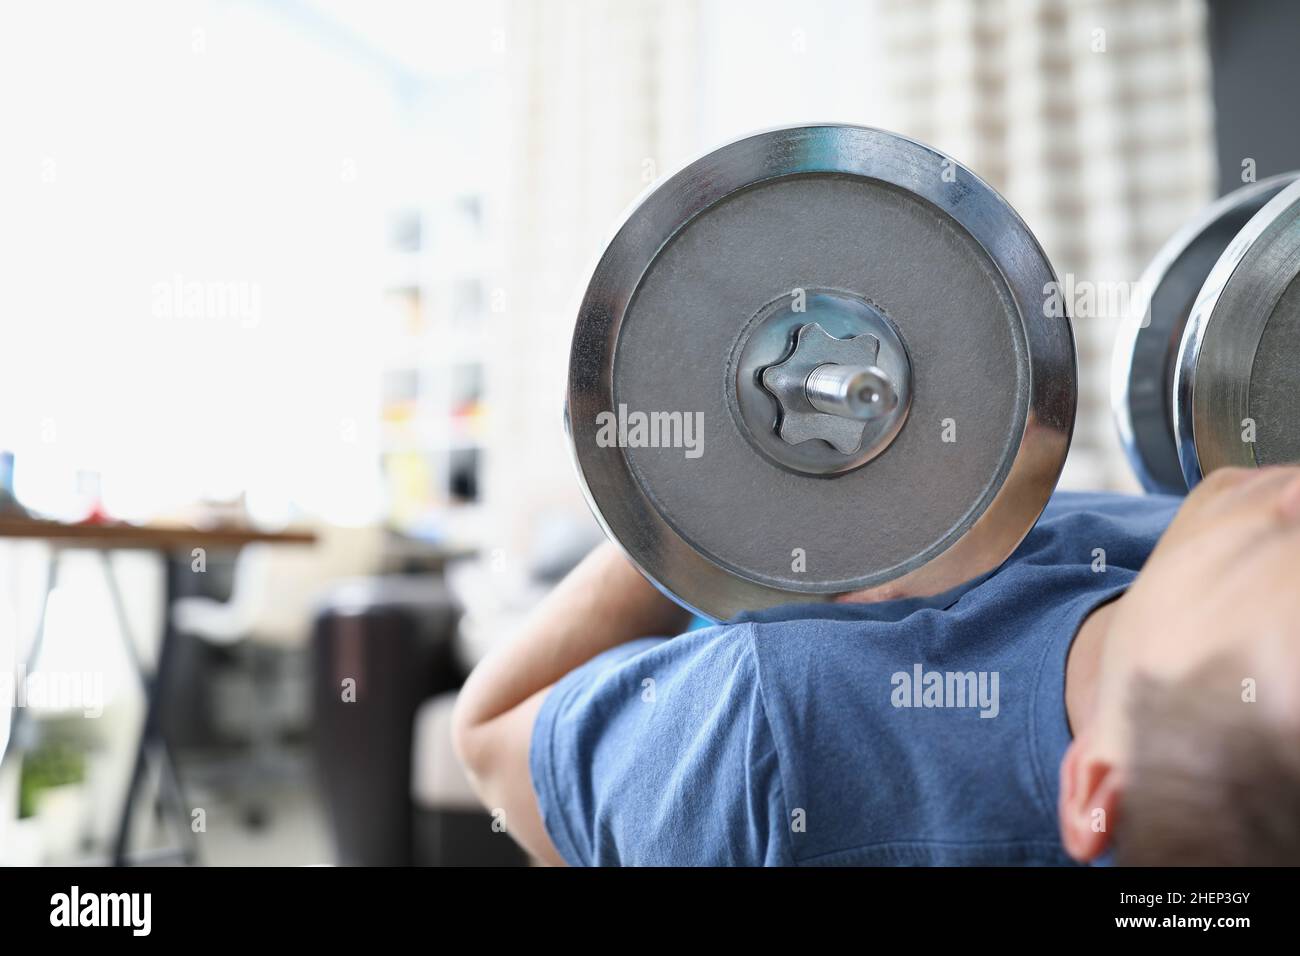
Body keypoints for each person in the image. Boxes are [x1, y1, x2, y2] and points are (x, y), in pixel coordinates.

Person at [452, 465, 1300, 866]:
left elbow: (492, 735)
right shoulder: (1199, 536)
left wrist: (683, 497)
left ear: (1096, 789)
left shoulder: (783, 735)